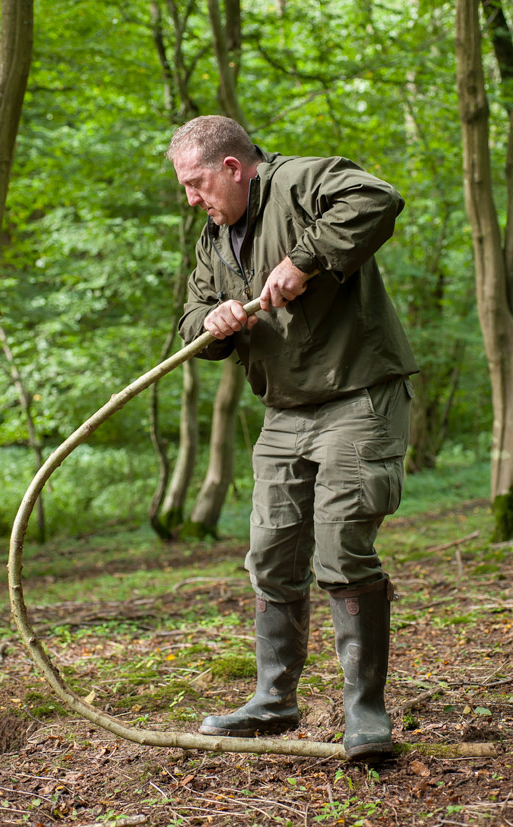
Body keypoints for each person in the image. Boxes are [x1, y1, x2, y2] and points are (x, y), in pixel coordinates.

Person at [167, 115, 418, 761]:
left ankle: (365, 713)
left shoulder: (301, 180)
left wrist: (302, 260)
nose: (192, 198)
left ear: (232, 166)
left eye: (196, 184)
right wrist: (215, 320)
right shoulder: (214, 237)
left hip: (359, 394)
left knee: (341, 548)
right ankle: (273, 700)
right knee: (271, 554)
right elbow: (191, 315)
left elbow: (377, 199)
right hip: (284, 411)